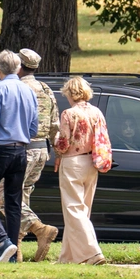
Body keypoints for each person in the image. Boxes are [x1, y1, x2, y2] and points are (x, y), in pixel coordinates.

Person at [0, 48, 60, 262]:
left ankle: (7, 241)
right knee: (16, 201)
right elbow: (44, 125)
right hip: (27, 149)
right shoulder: (39, 89)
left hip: (0, 150)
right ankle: (14, 253)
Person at [53, 76, 109, 265]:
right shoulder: (97, 112)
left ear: (70, 93)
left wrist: (53, 142)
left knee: (73, 209)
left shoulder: (69, 114)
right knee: (81, 210)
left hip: (72, 162)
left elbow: (63, 144)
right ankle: (67, 258)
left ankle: (93, 253)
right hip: (92, 162)